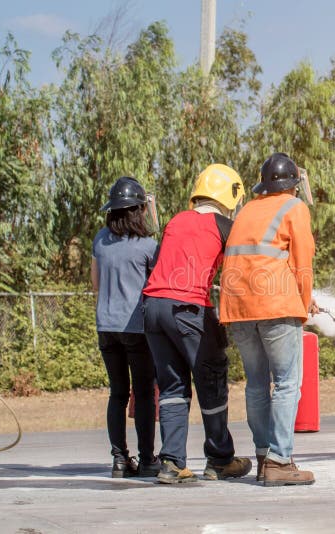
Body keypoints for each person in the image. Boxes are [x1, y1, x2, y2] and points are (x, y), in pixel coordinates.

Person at [143, 164, 252, 484]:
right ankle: (219, 459)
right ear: (232, 195)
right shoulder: (224, 225)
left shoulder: (177, 220)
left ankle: (172, 463)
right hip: (187, 309)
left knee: (173, 386)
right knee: (212, 379)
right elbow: (245, 267)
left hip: (152, 308)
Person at [220, 152, 318, 487]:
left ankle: (264, 456)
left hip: (239, 309)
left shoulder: (247, 210)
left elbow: (259, 260)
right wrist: (303, 305)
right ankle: (280, 460)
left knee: (257, 384)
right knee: (288, 383)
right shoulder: (294, 208)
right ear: (293, 183)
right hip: (276, 307)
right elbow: (302, 263)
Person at [91, 176, 160, 478]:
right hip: (136, 327)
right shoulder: (148, 246)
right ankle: (147, 459)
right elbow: (157, 286)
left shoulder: (100, 240)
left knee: (117, 393)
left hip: (106, 325)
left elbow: (95, 284)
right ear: (139, 211)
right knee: (143, 393)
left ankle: (120, 458)